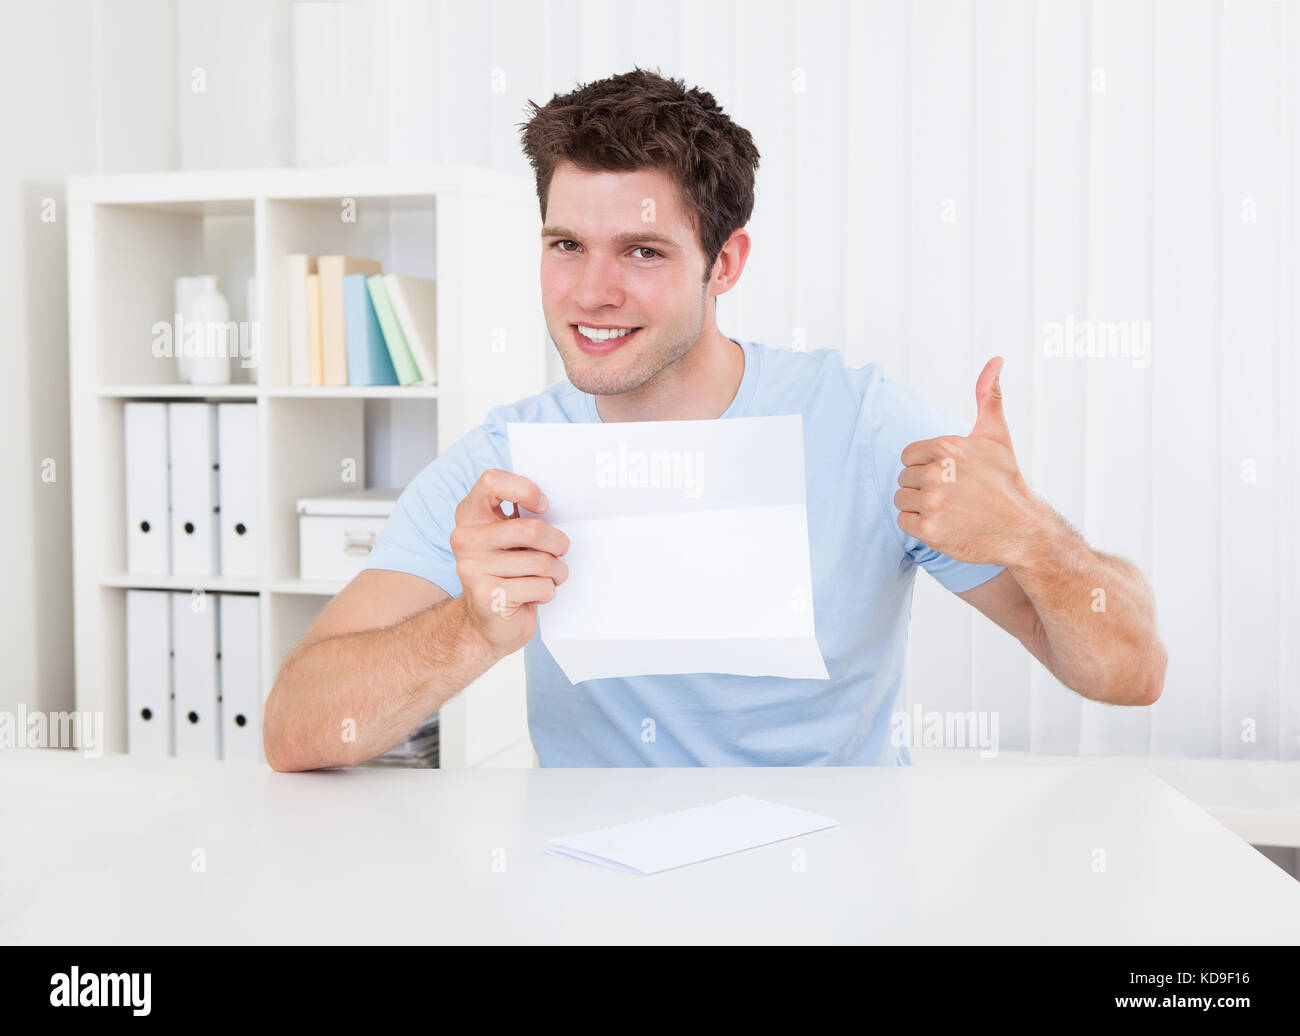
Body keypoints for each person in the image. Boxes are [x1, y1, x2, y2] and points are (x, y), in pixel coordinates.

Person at [263, 68, 1166, 772]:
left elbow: (1130, 676)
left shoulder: (860, 423)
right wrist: (470, 627)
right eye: (565, 245)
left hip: (840, 882)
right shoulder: (503, 463)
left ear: (724, 263)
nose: (591, 292)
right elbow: (296, 730)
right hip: (595, 886)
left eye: (643, 251)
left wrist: (1036, 539)